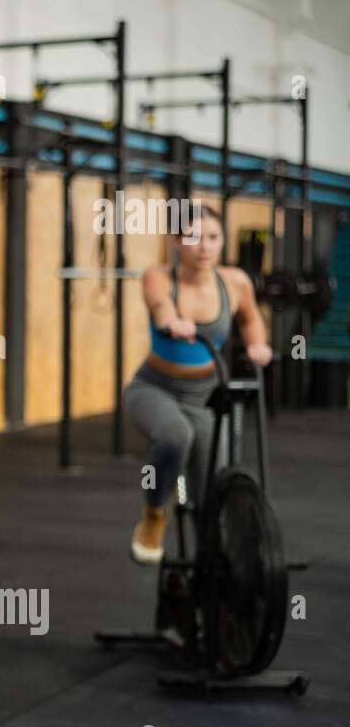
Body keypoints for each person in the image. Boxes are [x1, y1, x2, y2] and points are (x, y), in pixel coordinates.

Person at [124, 203, 272, 565]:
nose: (204, 246)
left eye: (213, 237)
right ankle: (154, 514)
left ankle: (210, 568)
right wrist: (173, 320)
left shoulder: (235, 281)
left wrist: (257, 344)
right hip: (153, 388)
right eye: (192, 237)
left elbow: (251, 317)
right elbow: (160, 305)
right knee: (176, 436)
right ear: (176, 240)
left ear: (222, 242)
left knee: (213, 486)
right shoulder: (159, 276)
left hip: (204, 397)